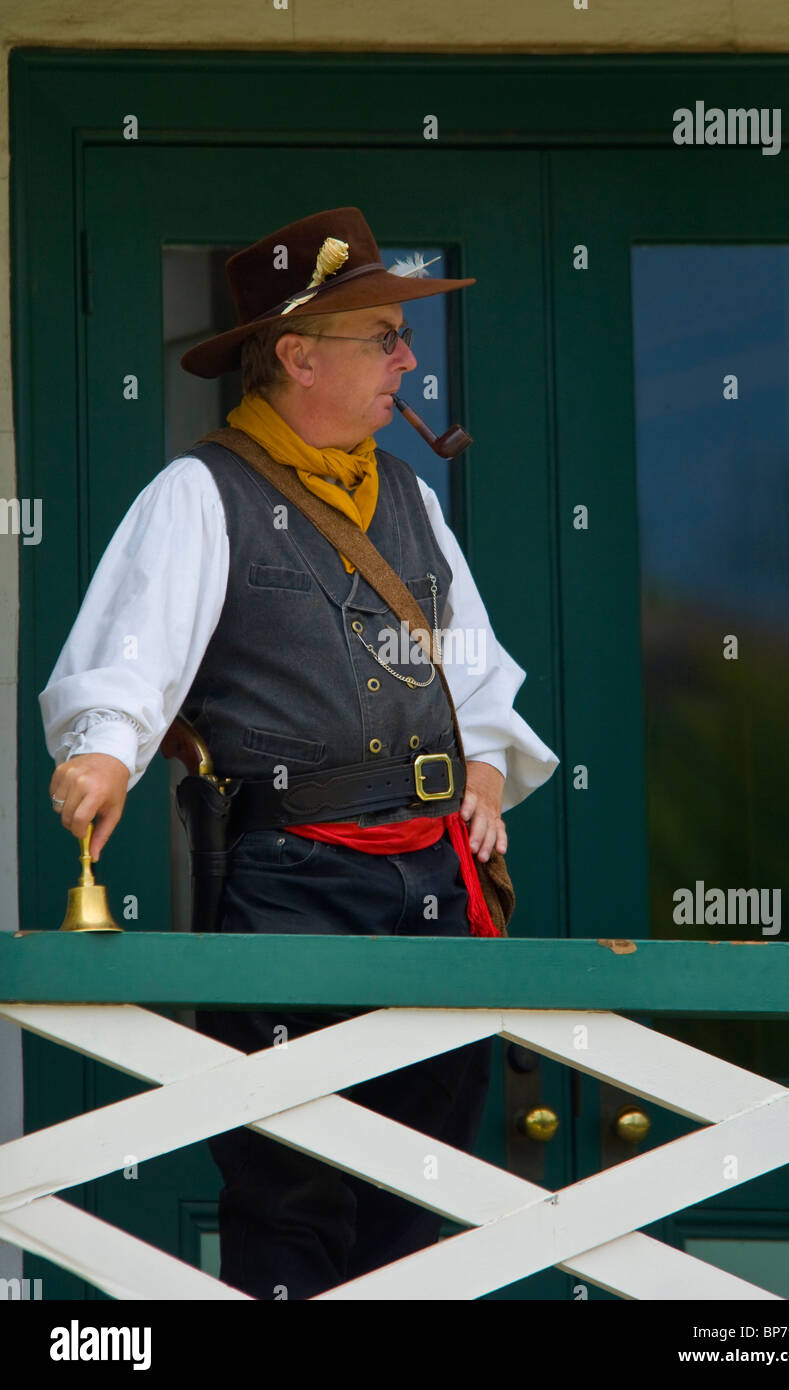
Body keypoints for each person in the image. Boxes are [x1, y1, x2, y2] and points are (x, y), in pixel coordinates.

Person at [39, 205, 559, 1299]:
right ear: (296, 354)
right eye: (385, 337)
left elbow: (474, 670)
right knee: (294, 1196)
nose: (408, 360)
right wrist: (101, 752)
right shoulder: (199, 495)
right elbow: (123, 665)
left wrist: (478, 770)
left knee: (422, 1200)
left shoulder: (410, 497)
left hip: (431, 883)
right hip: (287, 891)